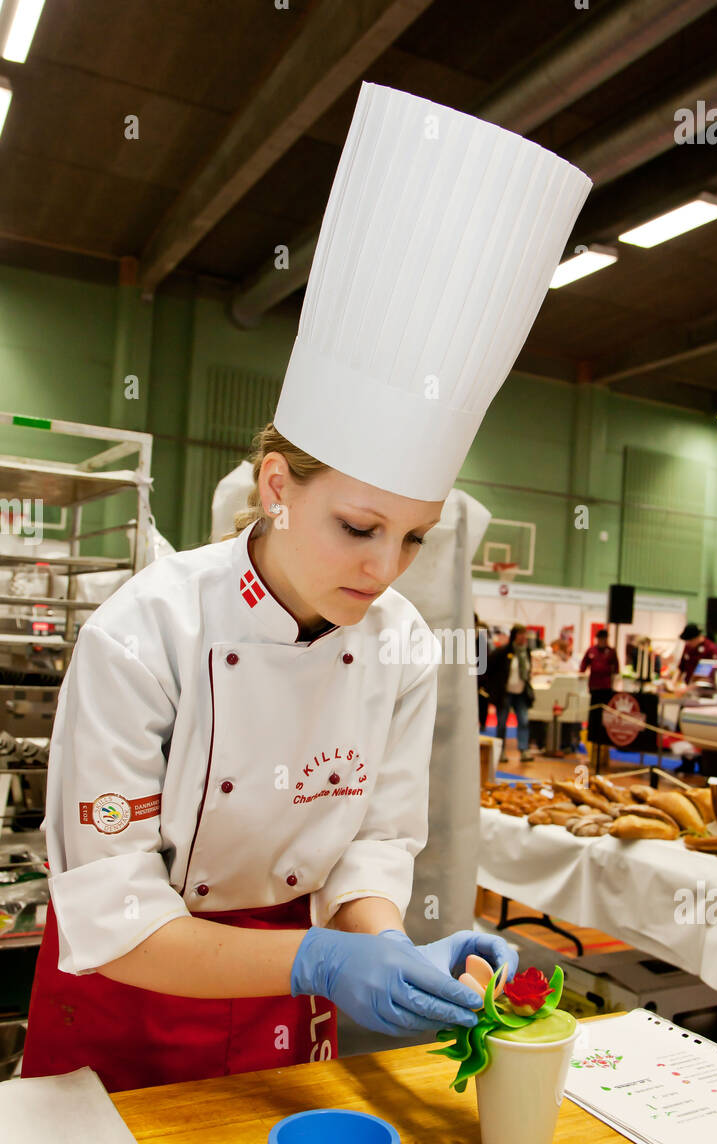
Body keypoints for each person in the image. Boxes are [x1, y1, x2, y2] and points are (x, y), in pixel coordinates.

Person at [21, 80, 589, 1091]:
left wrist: (393, 949)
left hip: (283, 1006)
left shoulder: (406, 642)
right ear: (276, 488)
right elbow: (112, 913)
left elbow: (371, 844)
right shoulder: (141, 631)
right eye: (358, 527)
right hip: (128, 994)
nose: (384, 570)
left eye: (415, 538)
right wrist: (319, 958)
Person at [487, 624, 535, 763]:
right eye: (521, 634)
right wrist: (493, 688)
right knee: (502, 723)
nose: (523, 637)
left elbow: (527, 670)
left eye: (525, 634)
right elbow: (490, 668)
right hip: (505, 693)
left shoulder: (526, 652)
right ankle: (500, 751)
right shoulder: (502, 652)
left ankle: (524, 749)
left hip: (521, 693)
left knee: (524, 721)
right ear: (515, 635)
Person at [580, 628, 620, 771]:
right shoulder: (591, 651)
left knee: (605, 721)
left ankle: (603, 755)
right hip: (594, 689)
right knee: (594, 720)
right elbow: (583, 667)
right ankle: (593, 753)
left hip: (606, 689)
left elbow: (616, 670)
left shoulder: (611, 652)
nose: (602, 641)